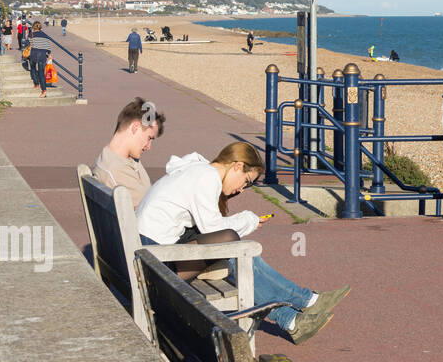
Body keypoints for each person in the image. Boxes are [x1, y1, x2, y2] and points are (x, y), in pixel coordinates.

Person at [137, 141, 348, 344]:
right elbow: (214, 230)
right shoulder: (206, 176)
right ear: (237, 166)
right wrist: (247, 219)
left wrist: (239, 216)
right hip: (158, 262)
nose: (242, 188)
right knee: (232, 245)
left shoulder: (197, 170)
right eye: (247, 180)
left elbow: (207, 227)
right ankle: (300, 307)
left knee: (238, 252)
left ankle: (297, 312)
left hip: (151, 251)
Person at [93, 97, 164, 207]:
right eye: (149, 138)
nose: (149, 147)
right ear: (135, 127)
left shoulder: (115, 159)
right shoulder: (117, 170)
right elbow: (151, 209)